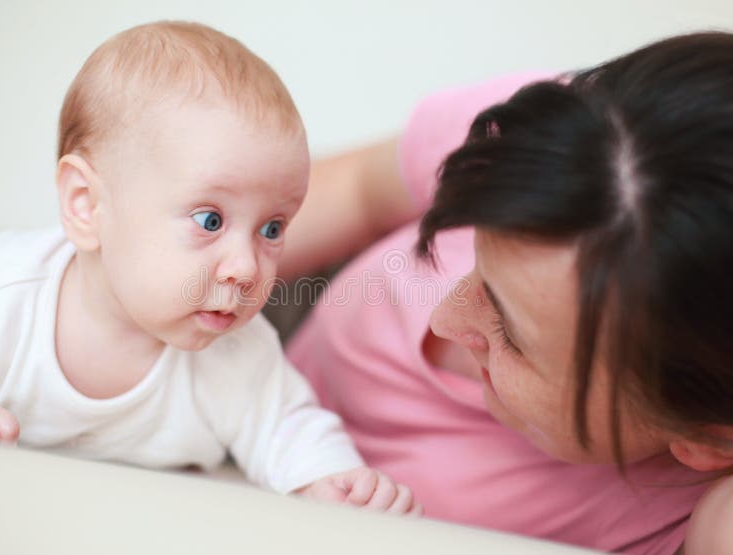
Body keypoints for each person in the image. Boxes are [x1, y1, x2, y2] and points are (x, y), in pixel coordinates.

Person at [0, 20, 421, 514]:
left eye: (272, 229)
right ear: (86, 206)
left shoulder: (236, 354)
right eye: (210, 220)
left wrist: (333, 479)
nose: (246, 268)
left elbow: (288, 425)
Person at [281, 33, 733, 553]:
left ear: (710, 437)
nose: (444, 317)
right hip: (302, 297)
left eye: (511, 337)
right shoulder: (564, 144)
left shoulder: (698, 511)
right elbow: (359, 190)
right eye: (474, 247)